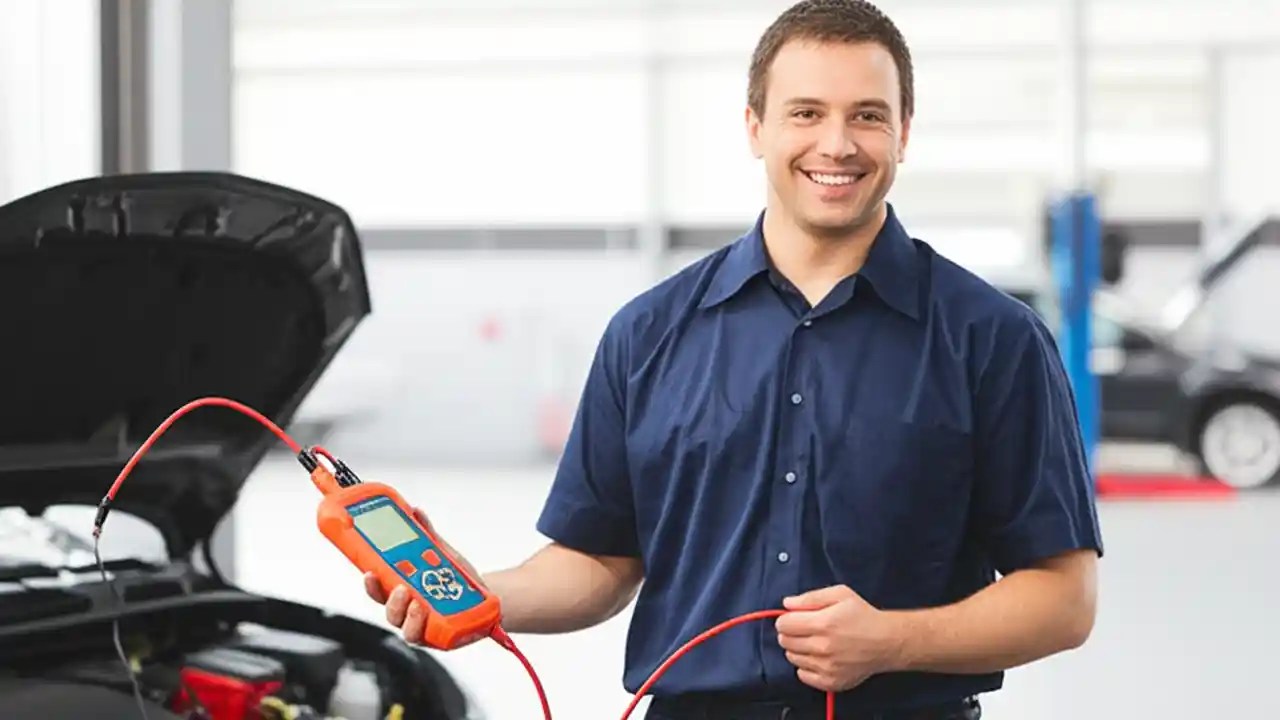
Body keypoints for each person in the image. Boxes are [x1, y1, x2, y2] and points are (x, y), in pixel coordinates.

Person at [364, 0, 1104, 717]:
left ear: (904, 132)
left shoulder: (993, 339)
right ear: (755, 127)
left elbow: (1063, 597)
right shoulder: (647, 335)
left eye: (867, 115)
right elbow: (599, 564)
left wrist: (894, 641)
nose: (837, 144)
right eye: (806, 112)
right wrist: (476, 592)